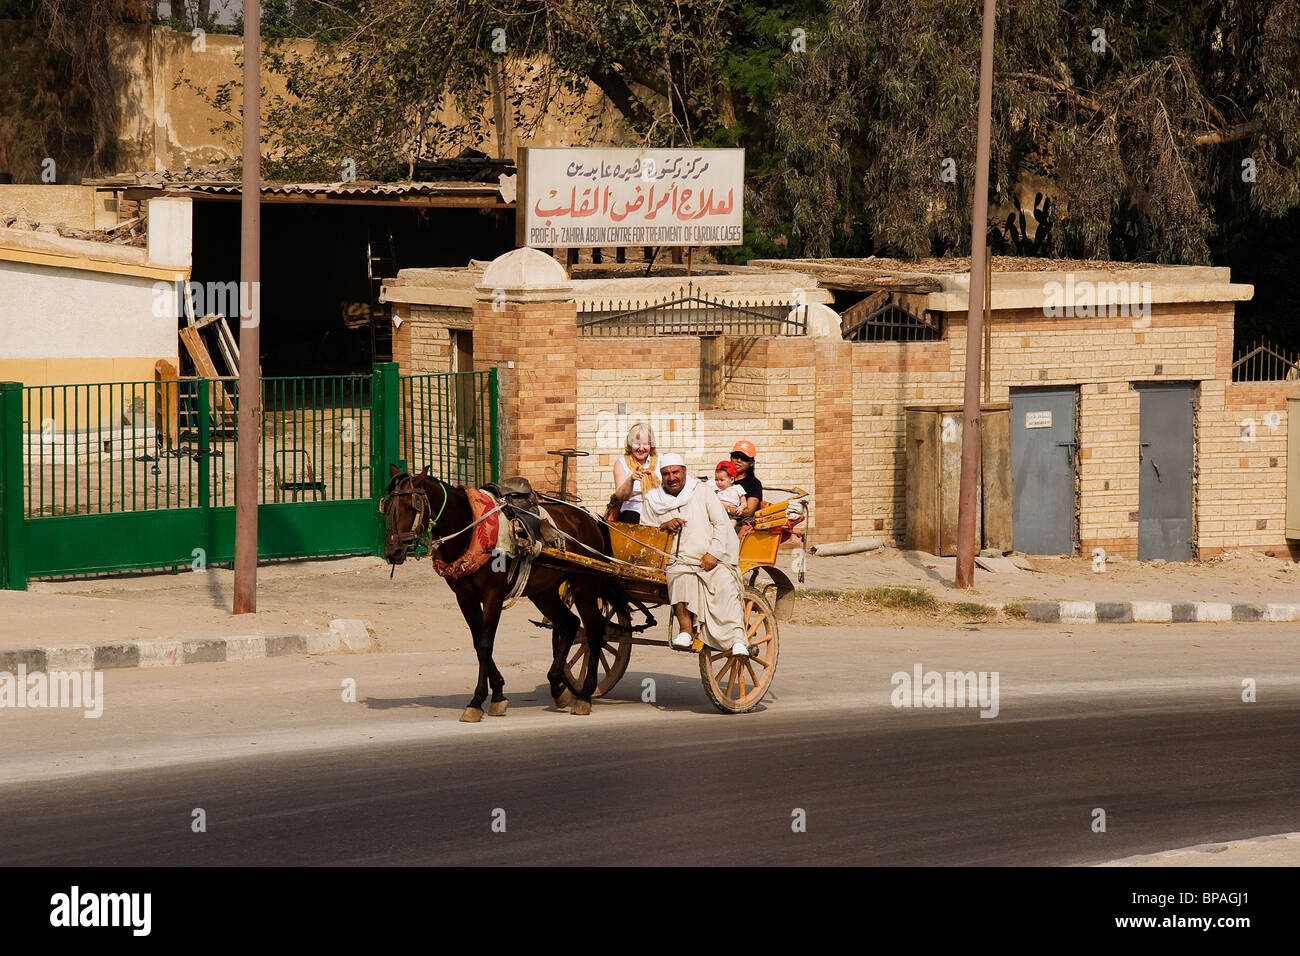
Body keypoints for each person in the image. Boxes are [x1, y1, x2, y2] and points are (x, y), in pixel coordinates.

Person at [640, 453, 750, 658]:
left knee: (726, 584)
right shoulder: (653, 500)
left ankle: (736, 639)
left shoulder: (702, 492)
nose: (671, 477)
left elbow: (721, 524)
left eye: (675, 472)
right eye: (666, 474)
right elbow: (646, 532)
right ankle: (686, 631)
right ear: (661, 476)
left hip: (711, 558)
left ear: (684, 471)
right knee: (678, 575)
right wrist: (664, 525)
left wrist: (713, 553)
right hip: (677, 559)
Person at [607, 422, 658, 523]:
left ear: (651, 445)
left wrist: (688, 474)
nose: (641, 448)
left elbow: (675, 473)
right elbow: (620, 496)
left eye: (645, 444)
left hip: (658, 509)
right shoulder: (621, 463)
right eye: (637, 443)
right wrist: (630, 480)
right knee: (630, 518)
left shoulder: (660, 459)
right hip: (633, 511)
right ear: (630, 444)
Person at [729, 440, 764, 521]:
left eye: (744, 458)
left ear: (751, 463)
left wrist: (725, 508)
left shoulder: (754, 484)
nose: (739, 460)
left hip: (738, 524)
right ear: (731, 458)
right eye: (736, 456)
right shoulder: (722, 479)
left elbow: (748, 512)